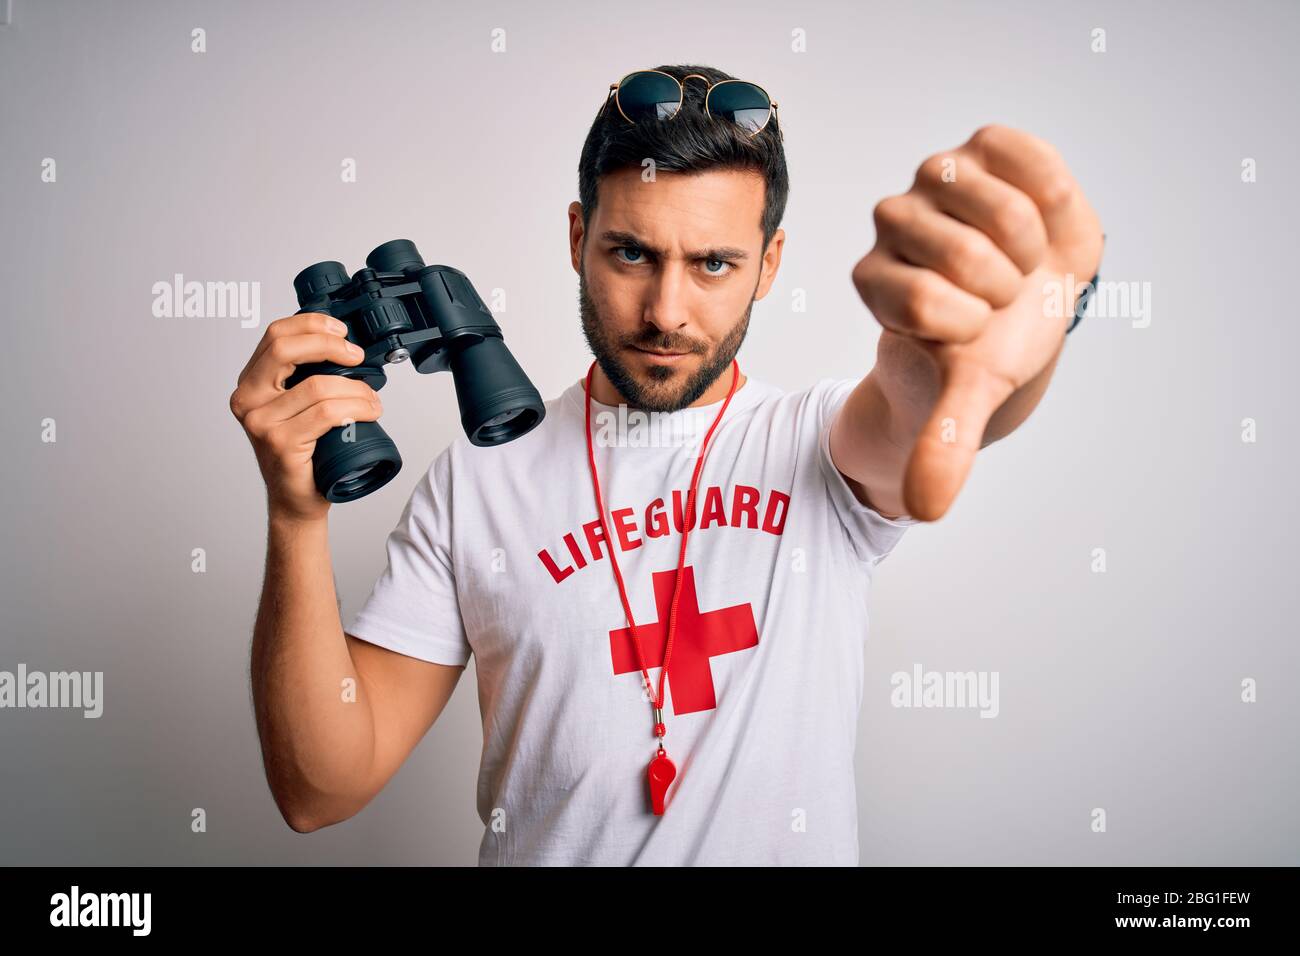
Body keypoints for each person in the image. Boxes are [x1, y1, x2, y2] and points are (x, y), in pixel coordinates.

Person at [229, 63, 1103, 865]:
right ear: (578, 238)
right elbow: (319, 790)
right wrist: (294, 515)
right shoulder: (475, 483)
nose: (666, 311)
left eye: (715, 263)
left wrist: (992, 336)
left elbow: (918, 397)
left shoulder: (816, 444)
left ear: (770, 265)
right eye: (632, 254)